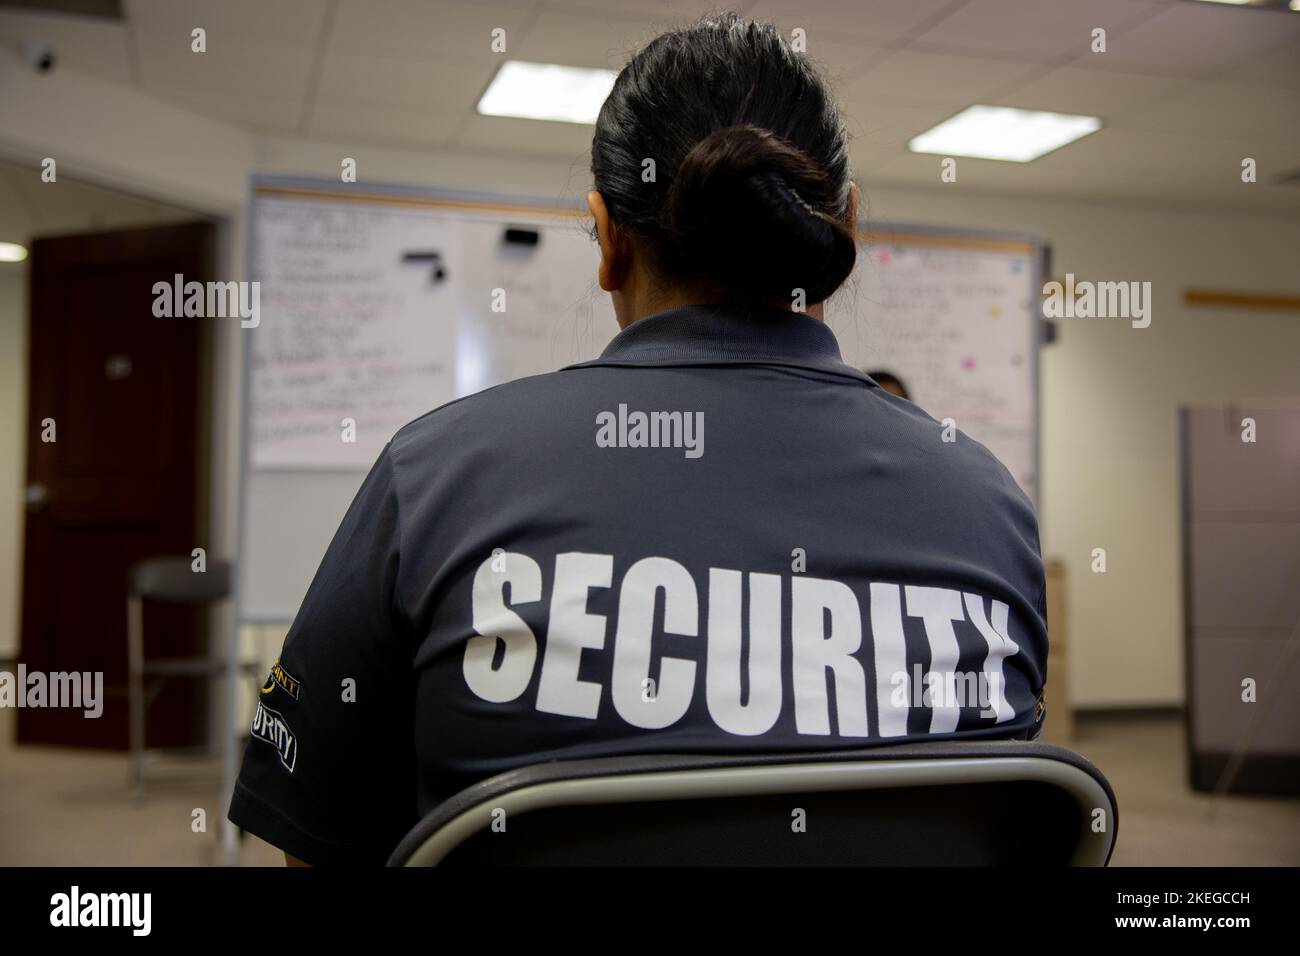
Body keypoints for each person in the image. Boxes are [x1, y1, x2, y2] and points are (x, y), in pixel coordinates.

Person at [229, 13, 1047, 866]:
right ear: (843, 224)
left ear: (607, 238)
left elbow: (319, 845)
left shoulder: (436, 478)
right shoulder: (989, 508)